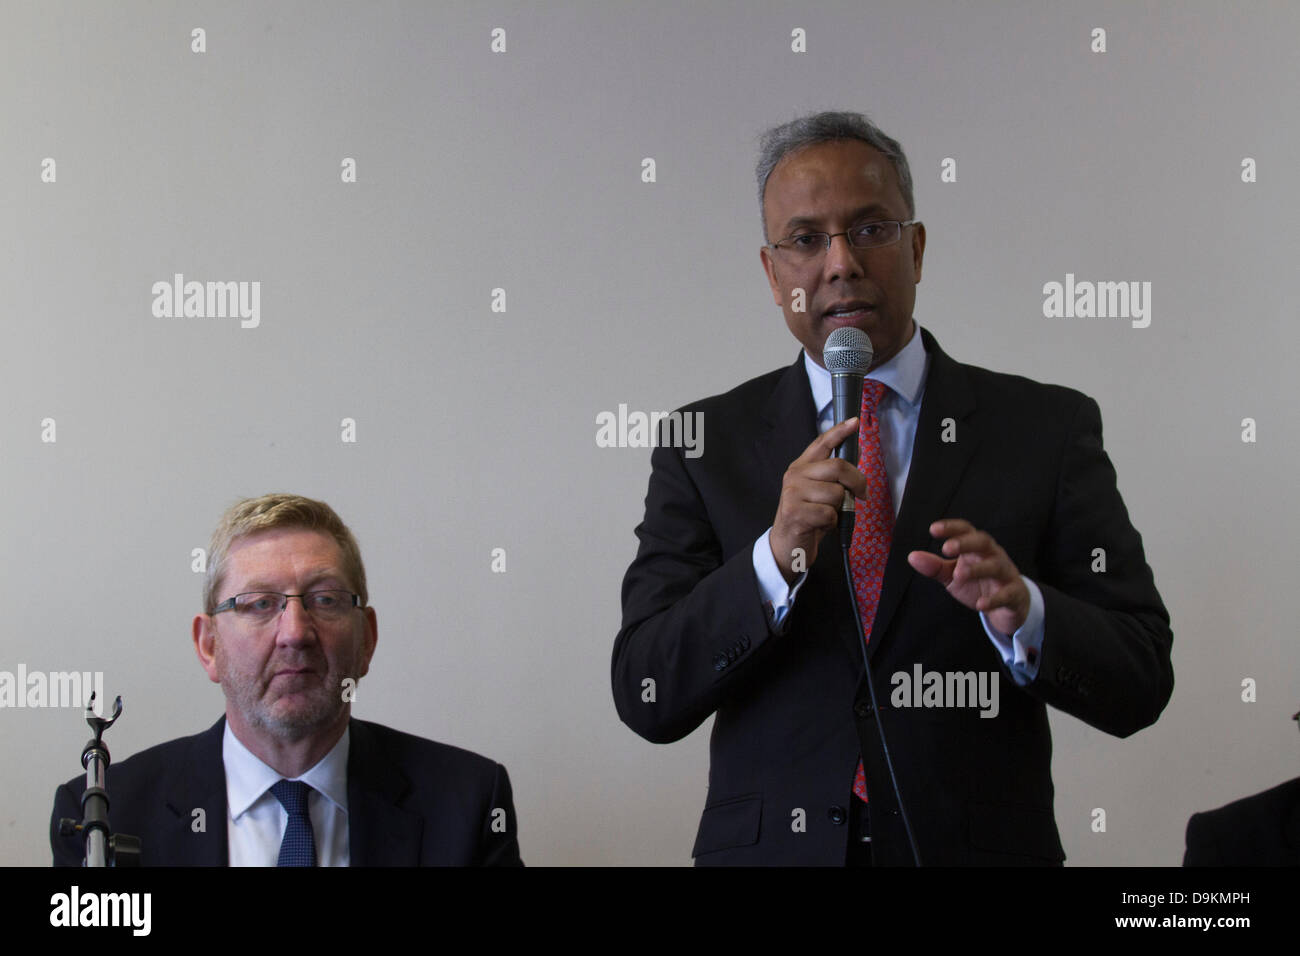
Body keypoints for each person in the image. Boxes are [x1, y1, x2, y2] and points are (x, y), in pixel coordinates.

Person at [611, 111, 1173, 866]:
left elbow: (1140, 680)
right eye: (806, 240)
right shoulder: (701, 443)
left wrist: (1027, 613)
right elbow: (646, 691)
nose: (841, 262)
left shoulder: (1046, 427)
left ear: (916, 246)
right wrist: (773, 560)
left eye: (870, 229)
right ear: (773, 275)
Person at [52, 493, 521, 866]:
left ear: (367, 640)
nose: (295, 632)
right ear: (208, 645)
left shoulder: (468, 802)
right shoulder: (101, 815)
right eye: (258, 603)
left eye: (326, 600)